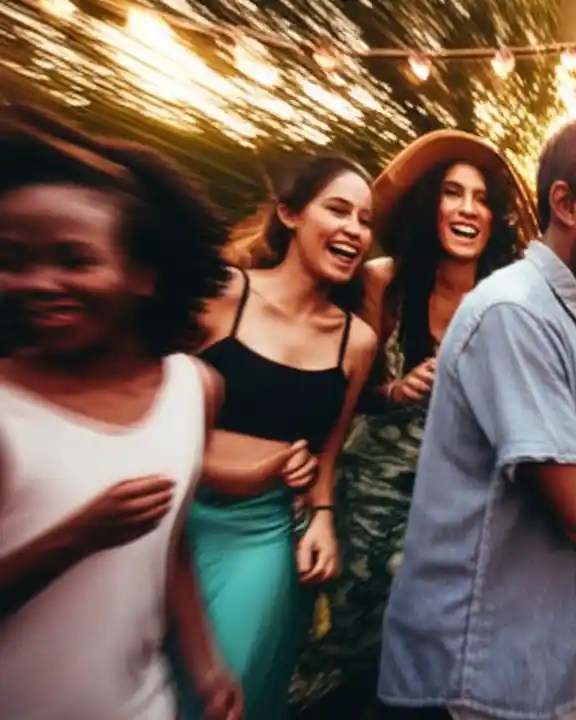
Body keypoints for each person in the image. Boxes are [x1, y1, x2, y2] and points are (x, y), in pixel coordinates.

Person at [378, 112, 576, 720]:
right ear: (567, 203)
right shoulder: (515, 312)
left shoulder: (570, 317)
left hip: (535, 667)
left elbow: (569, 474)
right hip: (478, 676)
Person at [0, 109, 241, 719]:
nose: (39, 282)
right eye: (14, 259)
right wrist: (75, 538)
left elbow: (170, 539)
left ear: (142, 275)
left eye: (74, 260)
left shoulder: (195, 388)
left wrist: (207, 664)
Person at [291, 130, 537, 716]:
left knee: (427, 650)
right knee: (343, 647)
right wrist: (396, 389)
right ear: (433, 205)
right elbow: (352, 395)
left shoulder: (510, 297)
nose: (467, 208)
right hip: (371, 490)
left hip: (455, 498)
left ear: (493, 218)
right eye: (453, 193)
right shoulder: (385, 281)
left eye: (481, 198)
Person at [188, 154, 377, 718]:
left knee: (229, 689)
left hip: (265, 536)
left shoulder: (357, 341)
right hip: (173, 514)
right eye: (338, 210)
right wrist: (244, 468)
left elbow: (329, 450)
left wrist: (321, 519)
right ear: (290, 214)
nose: (354, 230)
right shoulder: (222, 293)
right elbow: (151, 410)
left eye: (365, 221)